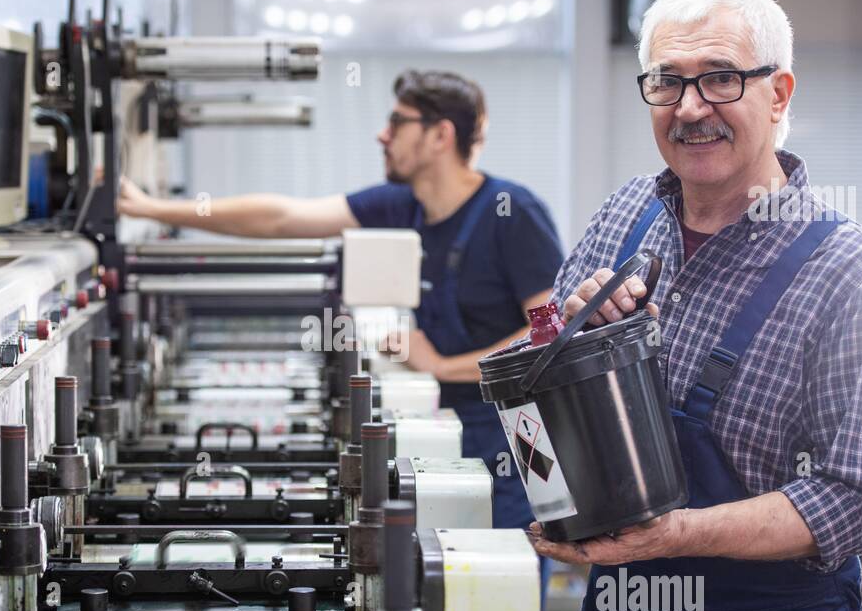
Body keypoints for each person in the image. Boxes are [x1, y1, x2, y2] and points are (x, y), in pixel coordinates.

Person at [532, 0, 862, 611]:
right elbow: (536, 378)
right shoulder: (625, 214)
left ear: (779, 94)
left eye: (720, 78)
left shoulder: (850, 271)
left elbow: (852, 504)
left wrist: (675, 537)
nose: (691, 106)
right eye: (668, 81)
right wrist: (563, 333)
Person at [114, 70, 565, 584]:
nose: (382, 134)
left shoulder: (511, 212)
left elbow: (549, 335)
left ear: (441, 135)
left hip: (515, 449)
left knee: (500, 596)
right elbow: (282, 218)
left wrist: (444, 366)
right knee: (441, 595)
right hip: (448, 441)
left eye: (397, 122)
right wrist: (151, 207)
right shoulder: (405, 206)